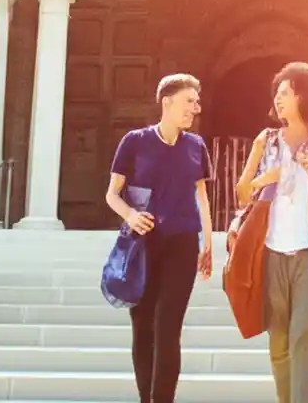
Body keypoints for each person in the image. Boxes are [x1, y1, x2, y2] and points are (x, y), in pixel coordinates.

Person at [234, 62, 308, 403]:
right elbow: (242, 192)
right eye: (277, 95)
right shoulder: (265, 141)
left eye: (285, 93)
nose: (278, 101)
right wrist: (265, 178)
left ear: (303, 96)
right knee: (279, 338)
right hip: (270, 251)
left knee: (306, 335)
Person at [104, 73, 214, 403]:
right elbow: (112, 194)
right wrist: (131, 216)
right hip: (144, 245)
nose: (195, 108)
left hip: (182, 243)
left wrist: (208, 242)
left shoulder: (196, 146)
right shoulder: (135, 141)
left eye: (196, 102)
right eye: (189, 101)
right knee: (143, 328)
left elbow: (202, 196)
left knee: (168, 329)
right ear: (166, 102)